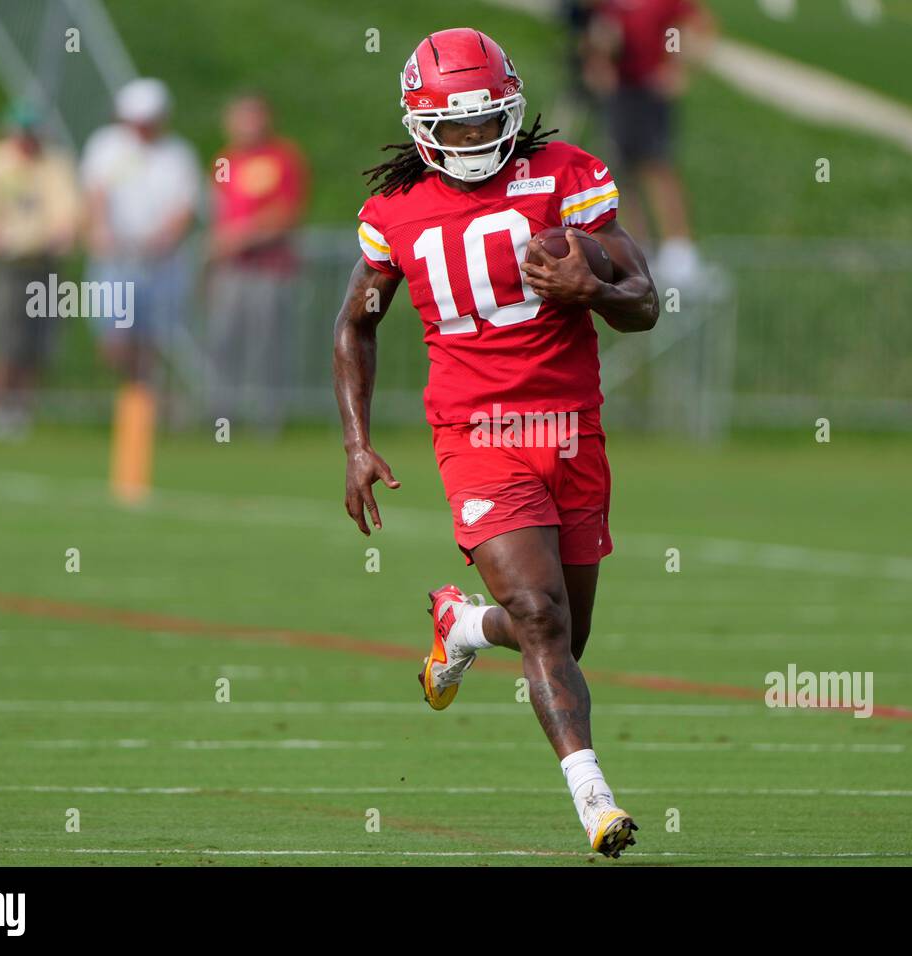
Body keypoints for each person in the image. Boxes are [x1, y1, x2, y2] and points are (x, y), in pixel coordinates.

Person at [332, 28, 659, 858]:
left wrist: (592, 288)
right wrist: (357, 443)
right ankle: (596, 801)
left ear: (512, 111)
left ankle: (464, 625)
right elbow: (356, 326)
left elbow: (645, 303)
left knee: (563, 636)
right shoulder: (395, 212)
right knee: (541, 617)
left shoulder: (566, 176)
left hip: (571, 428)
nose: (475, 137)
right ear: (423, 127)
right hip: (477, 434)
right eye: (458, 125)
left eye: (487, 121)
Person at [0, 100, 80, 439]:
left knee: (38, 341)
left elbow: (67, 213)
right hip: (5, 265)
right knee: (5, 340)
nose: (27, 139)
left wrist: (58, 234)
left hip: (44, 264)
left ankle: (22, 412)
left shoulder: (55, 164)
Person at [585, 0, 714, 285]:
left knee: (658, 168)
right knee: (620, 174)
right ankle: (637, 247)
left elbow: (699, 22)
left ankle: (679, 250)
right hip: (619, 93)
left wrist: (679, 67)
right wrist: (599, 60)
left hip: (650, 92)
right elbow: (595, 31)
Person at [81, 77, 201, 383]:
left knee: (152, 335)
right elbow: (96, 192)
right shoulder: (106, 145)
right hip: (116, 258)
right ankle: (127, 391)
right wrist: (101, 229)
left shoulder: (178, 154)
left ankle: (144, 396)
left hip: (161, 261)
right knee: (113, 334)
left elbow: (184, 206)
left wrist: (161, 239)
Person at [207, 93, 308, 434]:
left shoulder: (283, 158)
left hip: (270, 269)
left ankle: (268, 419)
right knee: (224, 340)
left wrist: (244, 235)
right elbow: (220, 211)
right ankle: (222, 416)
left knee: (267, 343)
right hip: (231, 269)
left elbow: (287, 212)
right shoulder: (225, 160)